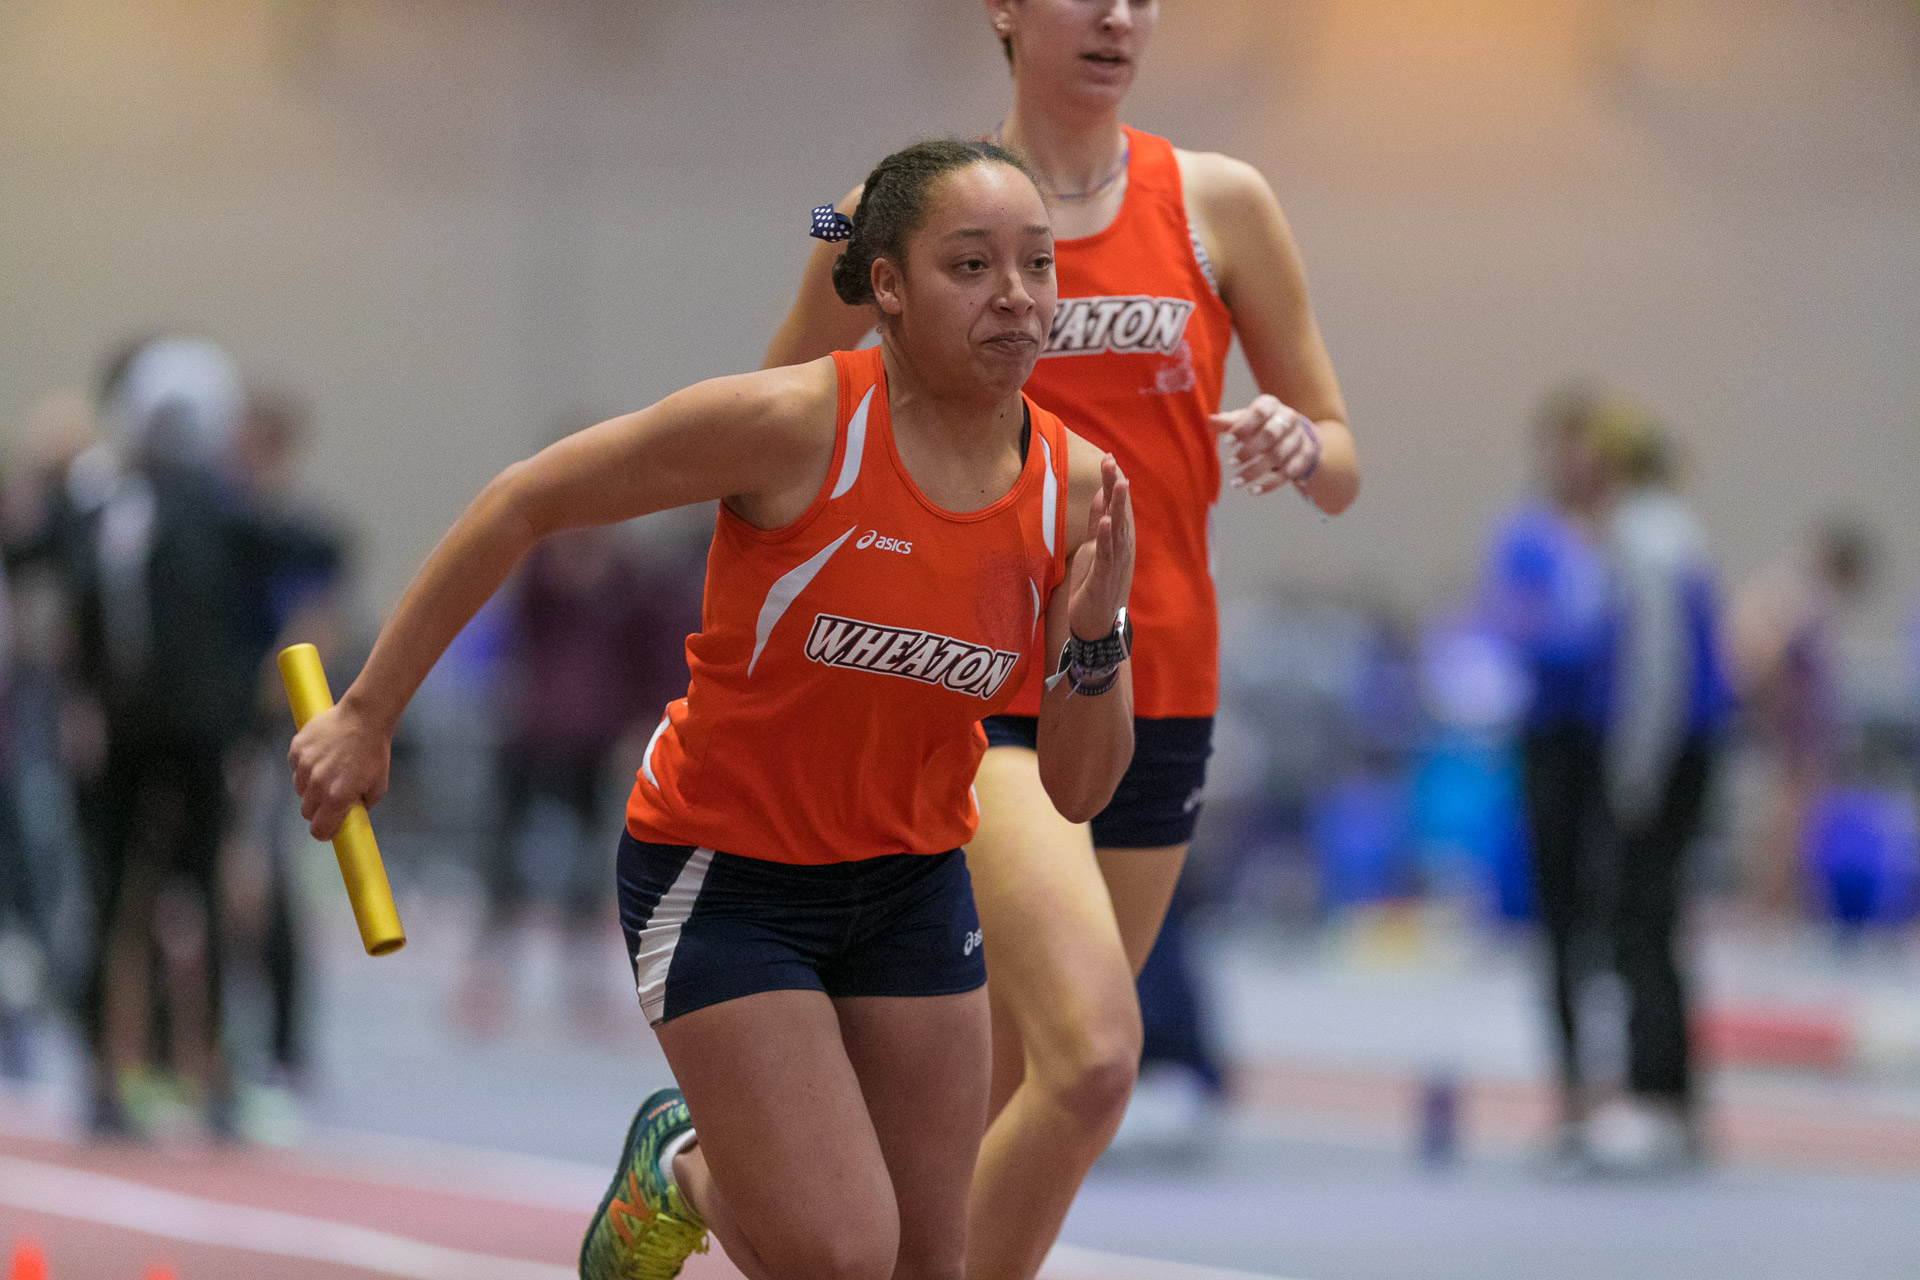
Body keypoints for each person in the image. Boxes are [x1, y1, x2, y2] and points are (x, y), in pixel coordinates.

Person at [290, 139, 1136, 1280]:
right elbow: (524, 500)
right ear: (887, 285)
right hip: (727, 874)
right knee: (843, 1255)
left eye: (1039, 265)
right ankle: (684, 1160)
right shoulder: (791, 424)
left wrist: (1095, 634)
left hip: (914, 875)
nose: (1018, 299)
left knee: (935, 1265)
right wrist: (367, 712)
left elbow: (1081, 788)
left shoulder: (1078, 490)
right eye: (973, 267)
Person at [765, 5, 1356, 1273]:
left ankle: (704, 1165)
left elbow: (1342, 451)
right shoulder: (885, 200)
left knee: (1002, 1088)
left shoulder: (1224, 201)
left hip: (1160, 694)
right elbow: (781, 412)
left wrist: (1302, 445)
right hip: (980, 697)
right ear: (1005, 10)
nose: (1119, 16)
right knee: (1096, 1060)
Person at [1586, 402, 1727, 1170]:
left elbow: (1656, 669)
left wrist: (1634, 772)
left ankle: (1654, 1096)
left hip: (1667, 753)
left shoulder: (1641, 537)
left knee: (1640, 924)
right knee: (1657, 925)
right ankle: (1666, 1096)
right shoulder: (1679, 529)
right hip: (1692, 748)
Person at [1481, 384, 1615, 1169]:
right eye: (1566, 446)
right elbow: (1521, 631)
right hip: (1552, 743)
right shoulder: (1528, 538)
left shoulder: (1629, 536)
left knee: (1622, 918)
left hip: (1619, 746)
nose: (1578, 462)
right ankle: (1572, 1087)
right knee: (1562, 920)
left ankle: (1630, 1086)